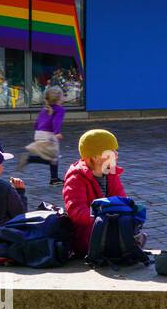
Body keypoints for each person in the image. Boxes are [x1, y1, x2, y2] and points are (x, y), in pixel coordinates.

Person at [63, 129, 124, 258]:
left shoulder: (111, 173)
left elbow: (121, 199)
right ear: (96, 158)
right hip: (88, 234)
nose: (116, 154)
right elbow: (76, 211)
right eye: (111, 152)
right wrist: (102, 218)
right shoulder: (76, 178)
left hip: (108, 225)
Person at [17, 86, 66, 185]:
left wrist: (38, 133)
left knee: (52, 157)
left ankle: (53, 178)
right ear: (59, 98)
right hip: (50, 134)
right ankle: (53, 179)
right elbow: (56, 121)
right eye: (63, 95)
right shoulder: (60, 109)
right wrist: (57, 132)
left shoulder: (45, 109)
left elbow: (37, 122)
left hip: (39, 133)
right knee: (54, 157)